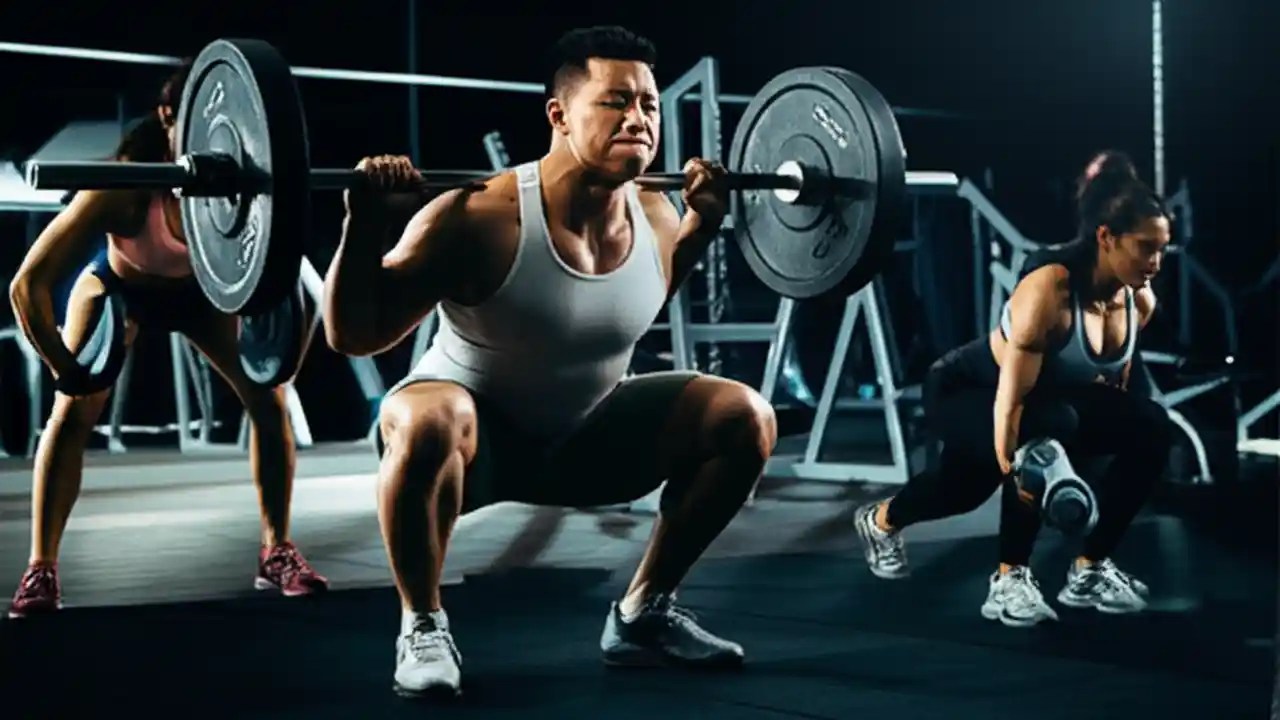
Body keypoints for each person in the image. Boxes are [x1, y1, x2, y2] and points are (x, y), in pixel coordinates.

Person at [323, 26, 775, 697]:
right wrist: (362, 225)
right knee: (428, 416)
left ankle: (642, 614)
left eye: (648, 105)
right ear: (559, 115)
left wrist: (701, 229)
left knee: (745, 415)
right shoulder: (480, 214)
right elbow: (354, 336)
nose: (639, 119)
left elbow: (632, 301)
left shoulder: (656, 212)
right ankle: (421, 624)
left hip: (584, 441)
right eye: (615, 101)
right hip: (469, 446)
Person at [7, 61, 328, 618]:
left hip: (200, 297)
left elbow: (290, 291)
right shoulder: (124, 189)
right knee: (72, 414)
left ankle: (276, 551)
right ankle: (41, 569)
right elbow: (27, 285)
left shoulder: (242, 188)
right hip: (120, 289)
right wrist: (63, 366)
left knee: (271, 402)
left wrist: (281, 363)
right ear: (167, 118)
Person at [852, 150, 1172, 627]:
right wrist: (1018, 466)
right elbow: (1013, 403)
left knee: (1150, 425)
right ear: (1106, 238)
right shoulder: (1050, 289)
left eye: (1162, 248)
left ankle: (1090, 568)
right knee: (969, 486)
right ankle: (994, 574)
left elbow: (1112, 396)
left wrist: (1090, 469)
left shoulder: (1137, 302)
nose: (1156, 262)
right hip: (967, 389)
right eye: (1146, 247)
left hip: (1044, 404)